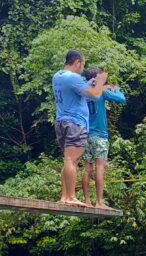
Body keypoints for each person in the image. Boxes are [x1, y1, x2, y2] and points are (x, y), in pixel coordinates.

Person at [52, 49, 109, 206]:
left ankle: (65, 196)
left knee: (67, 160)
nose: (82, 69)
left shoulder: (58, 76)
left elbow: (78, 89)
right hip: (75, 123)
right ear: (77, 62)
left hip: (61, 121)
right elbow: (94, 95)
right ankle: (70, 197)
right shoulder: (74, 78)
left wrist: (88, 84)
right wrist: (101, 81)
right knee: (72, 160)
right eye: (82, 65)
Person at [80, 66, 125, 209]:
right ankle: (99, 202)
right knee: (100, 167)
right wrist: (116, 88)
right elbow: (121, 99)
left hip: (85, 134)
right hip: (99, 135)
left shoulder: (83, 91)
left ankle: (86, 200)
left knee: (87, 168)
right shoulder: (102, 91)